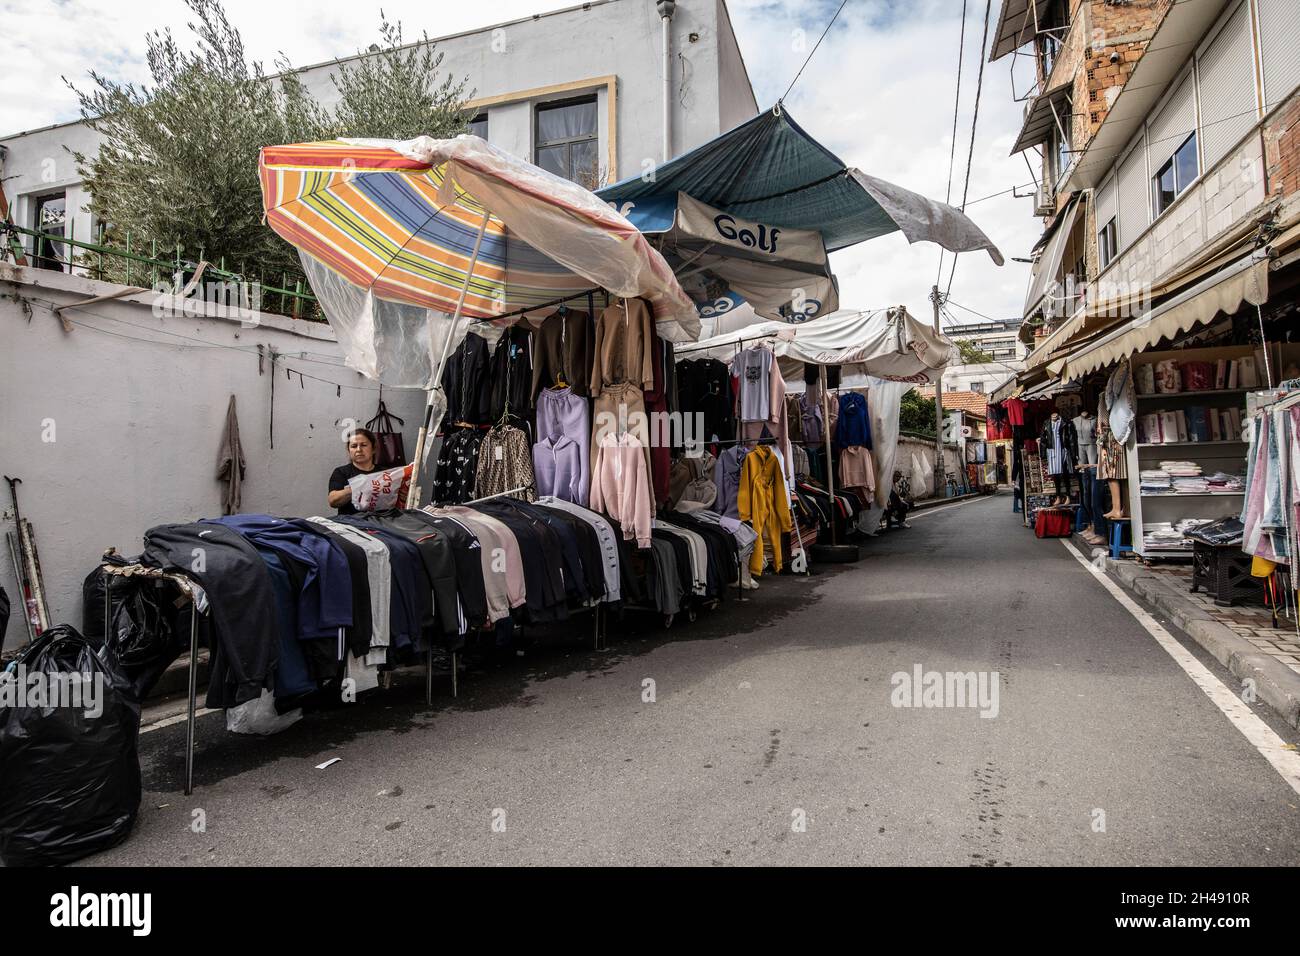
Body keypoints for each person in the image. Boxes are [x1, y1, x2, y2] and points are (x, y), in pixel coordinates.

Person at [328, 428, 381, 515]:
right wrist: (358, 486)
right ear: (349, 450)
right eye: (354, 446)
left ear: (373, 449)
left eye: (364, 445)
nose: (358, 449)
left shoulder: (386, 473)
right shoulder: (341, 472)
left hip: (382, 523)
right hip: (350, 524)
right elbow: (332, 501)